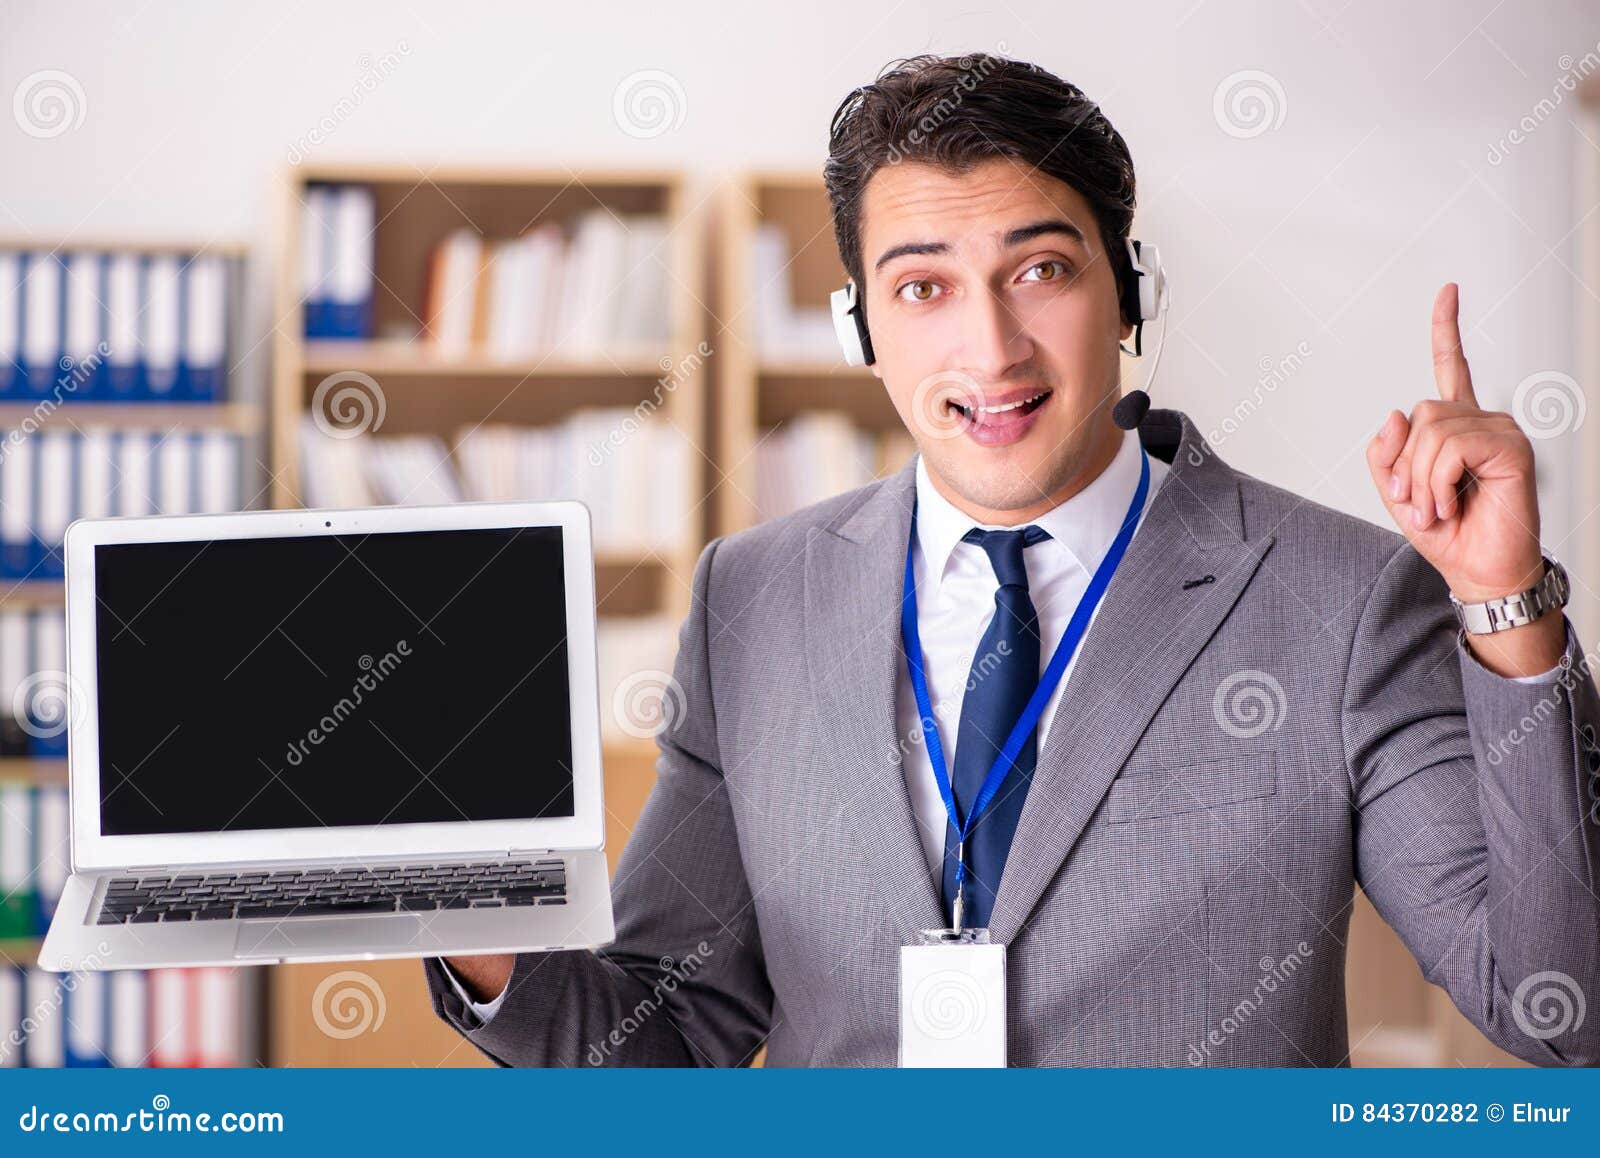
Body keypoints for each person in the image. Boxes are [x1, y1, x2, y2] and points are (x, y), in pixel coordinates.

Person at [424, 53, 1600, 1067]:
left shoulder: (1339, 596)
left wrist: (1507, 607)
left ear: (1128, 294)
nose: (989, 347)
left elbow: (1558, 1009)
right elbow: (665, 1044)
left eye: (1041, 270)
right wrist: (449, 888)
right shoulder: (756, 596)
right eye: (923, 286)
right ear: (862, 333)